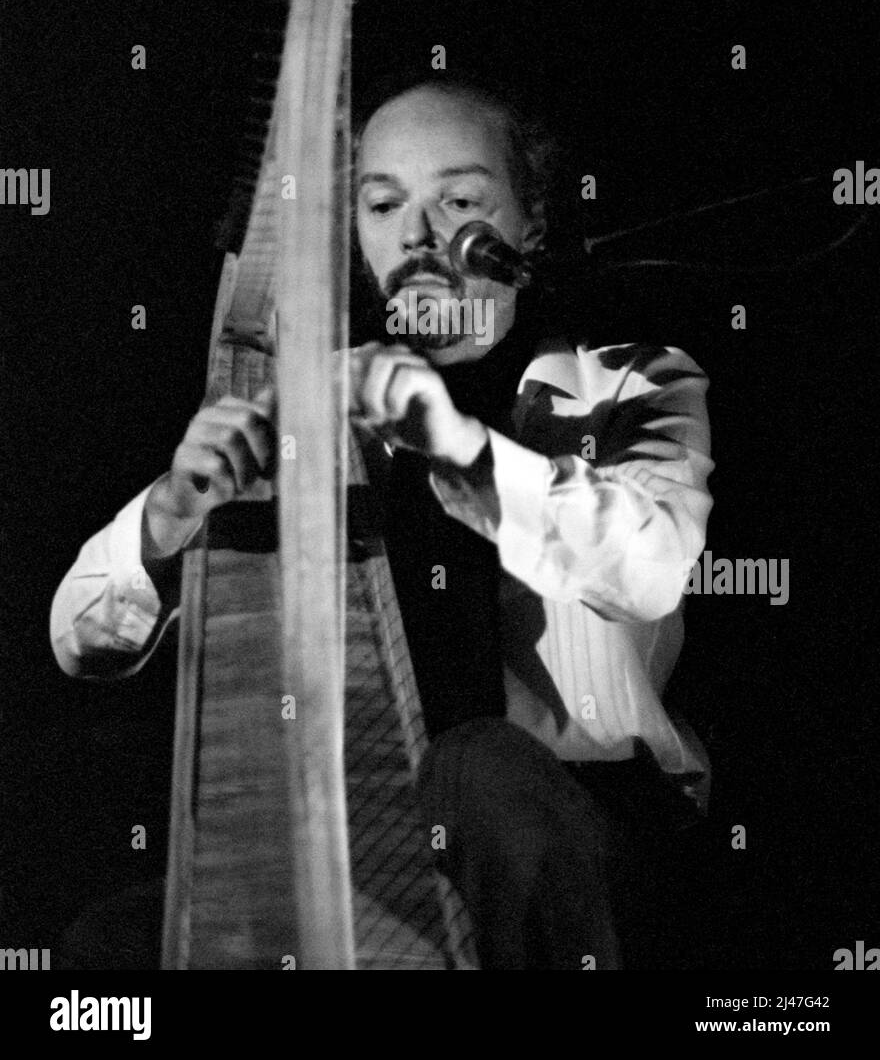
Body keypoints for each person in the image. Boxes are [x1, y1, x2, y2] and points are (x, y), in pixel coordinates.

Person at [51, 76, 715, 970]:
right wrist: (169, 515)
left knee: (478, 771)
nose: (418, 234)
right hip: (377, 856)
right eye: (383, 203)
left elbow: (652, 566)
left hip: (591, 838)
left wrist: (457, 445)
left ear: (532, 227)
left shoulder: (635, 382)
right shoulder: (316, 405)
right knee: (115, 949)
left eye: (461, 200)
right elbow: (77, 640)